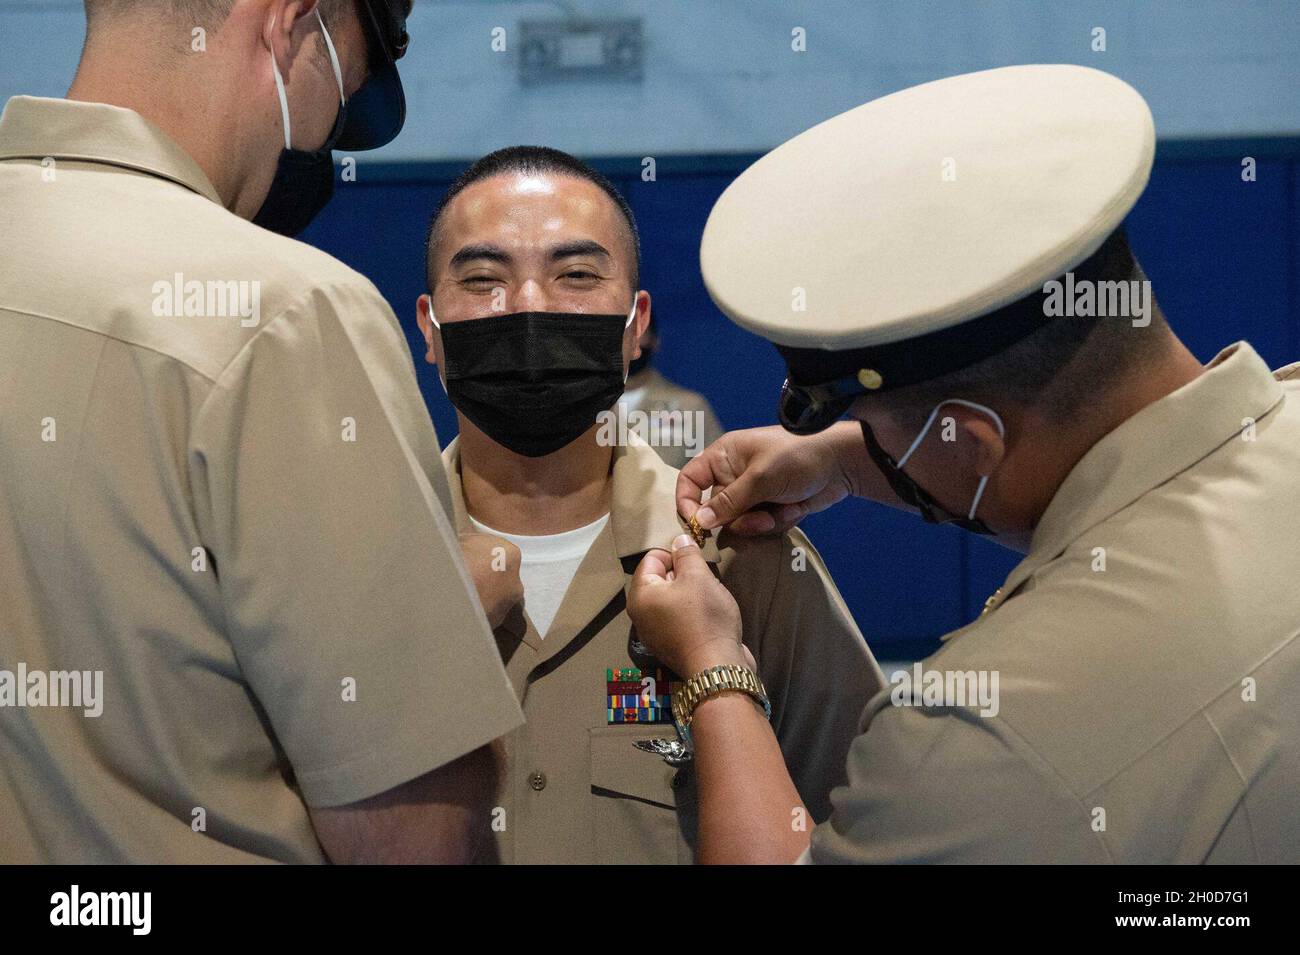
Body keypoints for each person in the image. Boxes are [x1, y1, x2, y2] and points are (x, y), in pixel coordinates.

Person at [626, 65, 1300, 863]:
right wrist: (850, 459)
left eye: (872, 427)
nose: (863, 444)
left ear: (972, 441)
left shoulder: (981, 742)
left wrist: (714, 666)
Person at [0, 0, 526, 864]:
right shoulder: (286, 313)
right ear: (289, 22)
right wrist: (443, 635)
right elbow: (415, 837)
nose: (322, 139)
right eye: (342, 89)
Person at [415, 145, 883, 864]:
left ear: (636, 325)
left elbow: (865, 824)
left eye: (575, 274)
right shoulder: (369, 569)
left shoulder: (735, 559)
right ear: (429, 329)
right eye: (483, 279)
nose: (531, 304)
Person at [620, 314, 725, 470]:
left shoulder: (689, 407)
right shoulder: (585, 404)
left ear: (655, 341)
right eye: (621, 333)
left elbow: (718, 472)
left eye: (636, 332)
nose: (629, 341)